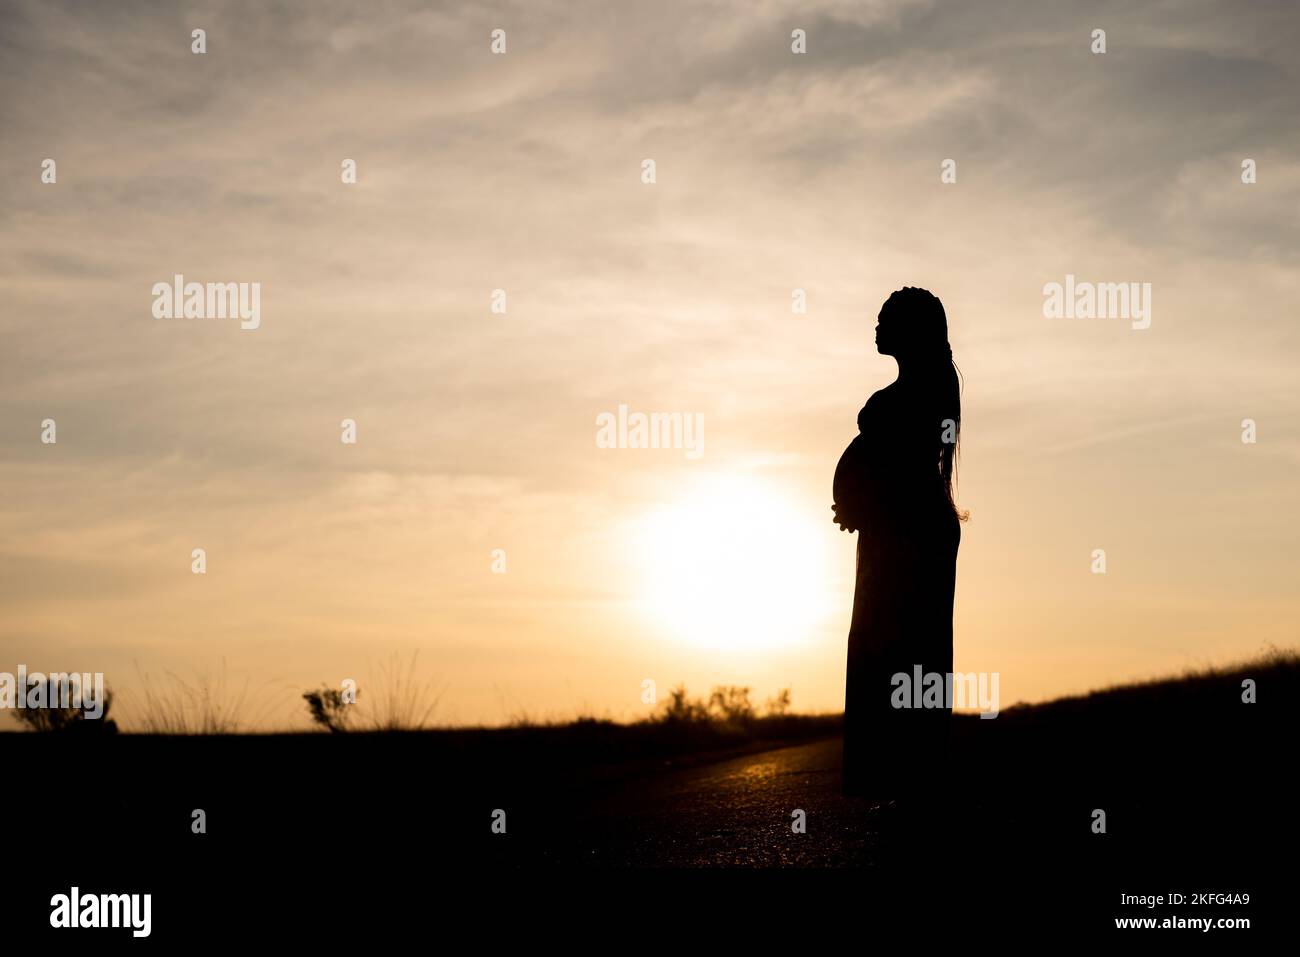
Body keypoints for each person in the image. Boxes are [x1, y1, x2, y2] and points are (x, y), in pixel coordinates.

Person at [833, 287, 964, 803]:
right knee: (883, 646)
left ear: (911, 329)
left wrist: (867, 502)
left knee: (906, 647)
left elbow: (905, 467)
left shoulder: (925, 389)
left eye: (886, 318)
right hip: (889, 530)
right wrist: (857, 505)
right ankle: (894, 781)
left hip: (908, 530)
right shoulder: (915, 387)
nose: (876, 325)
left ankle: (909, 780)